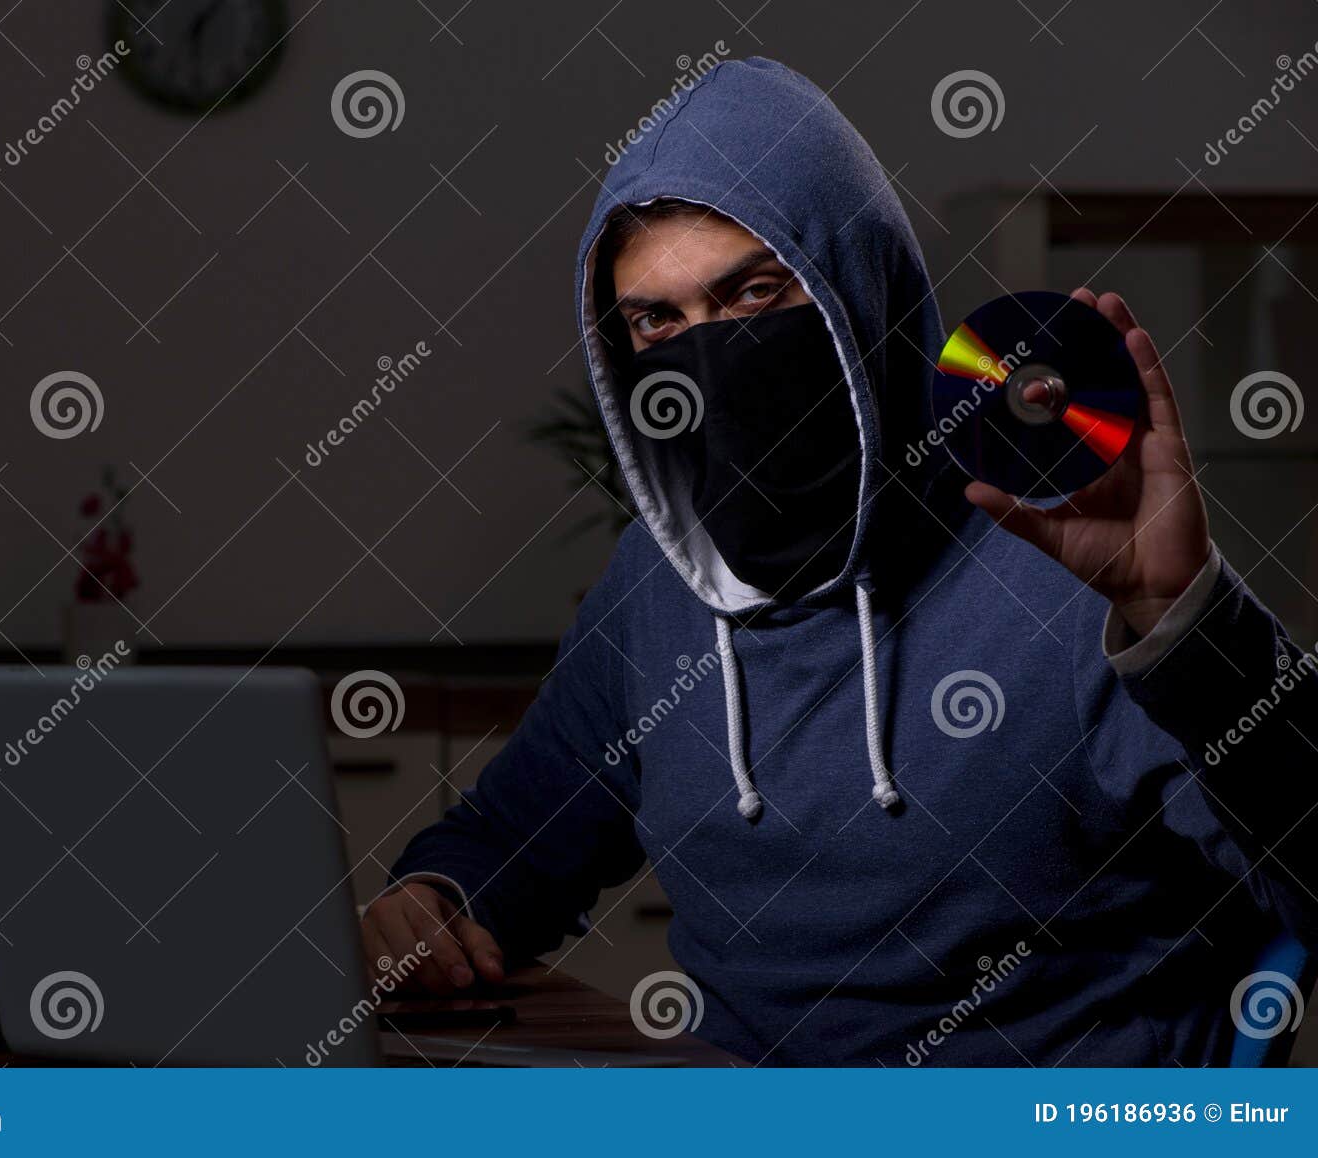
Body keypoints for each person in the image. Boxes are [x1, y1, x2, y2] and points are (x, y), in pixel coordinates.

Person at [362, 57, 1318, 1064]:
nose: (709, 356)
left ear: (861, 294)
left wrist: (1185, 620)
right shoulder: (656, 585)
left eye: (754, 293)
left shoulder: (1074, 563)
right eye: (658, 321)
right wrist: (432, 901)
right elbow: (515, 838)